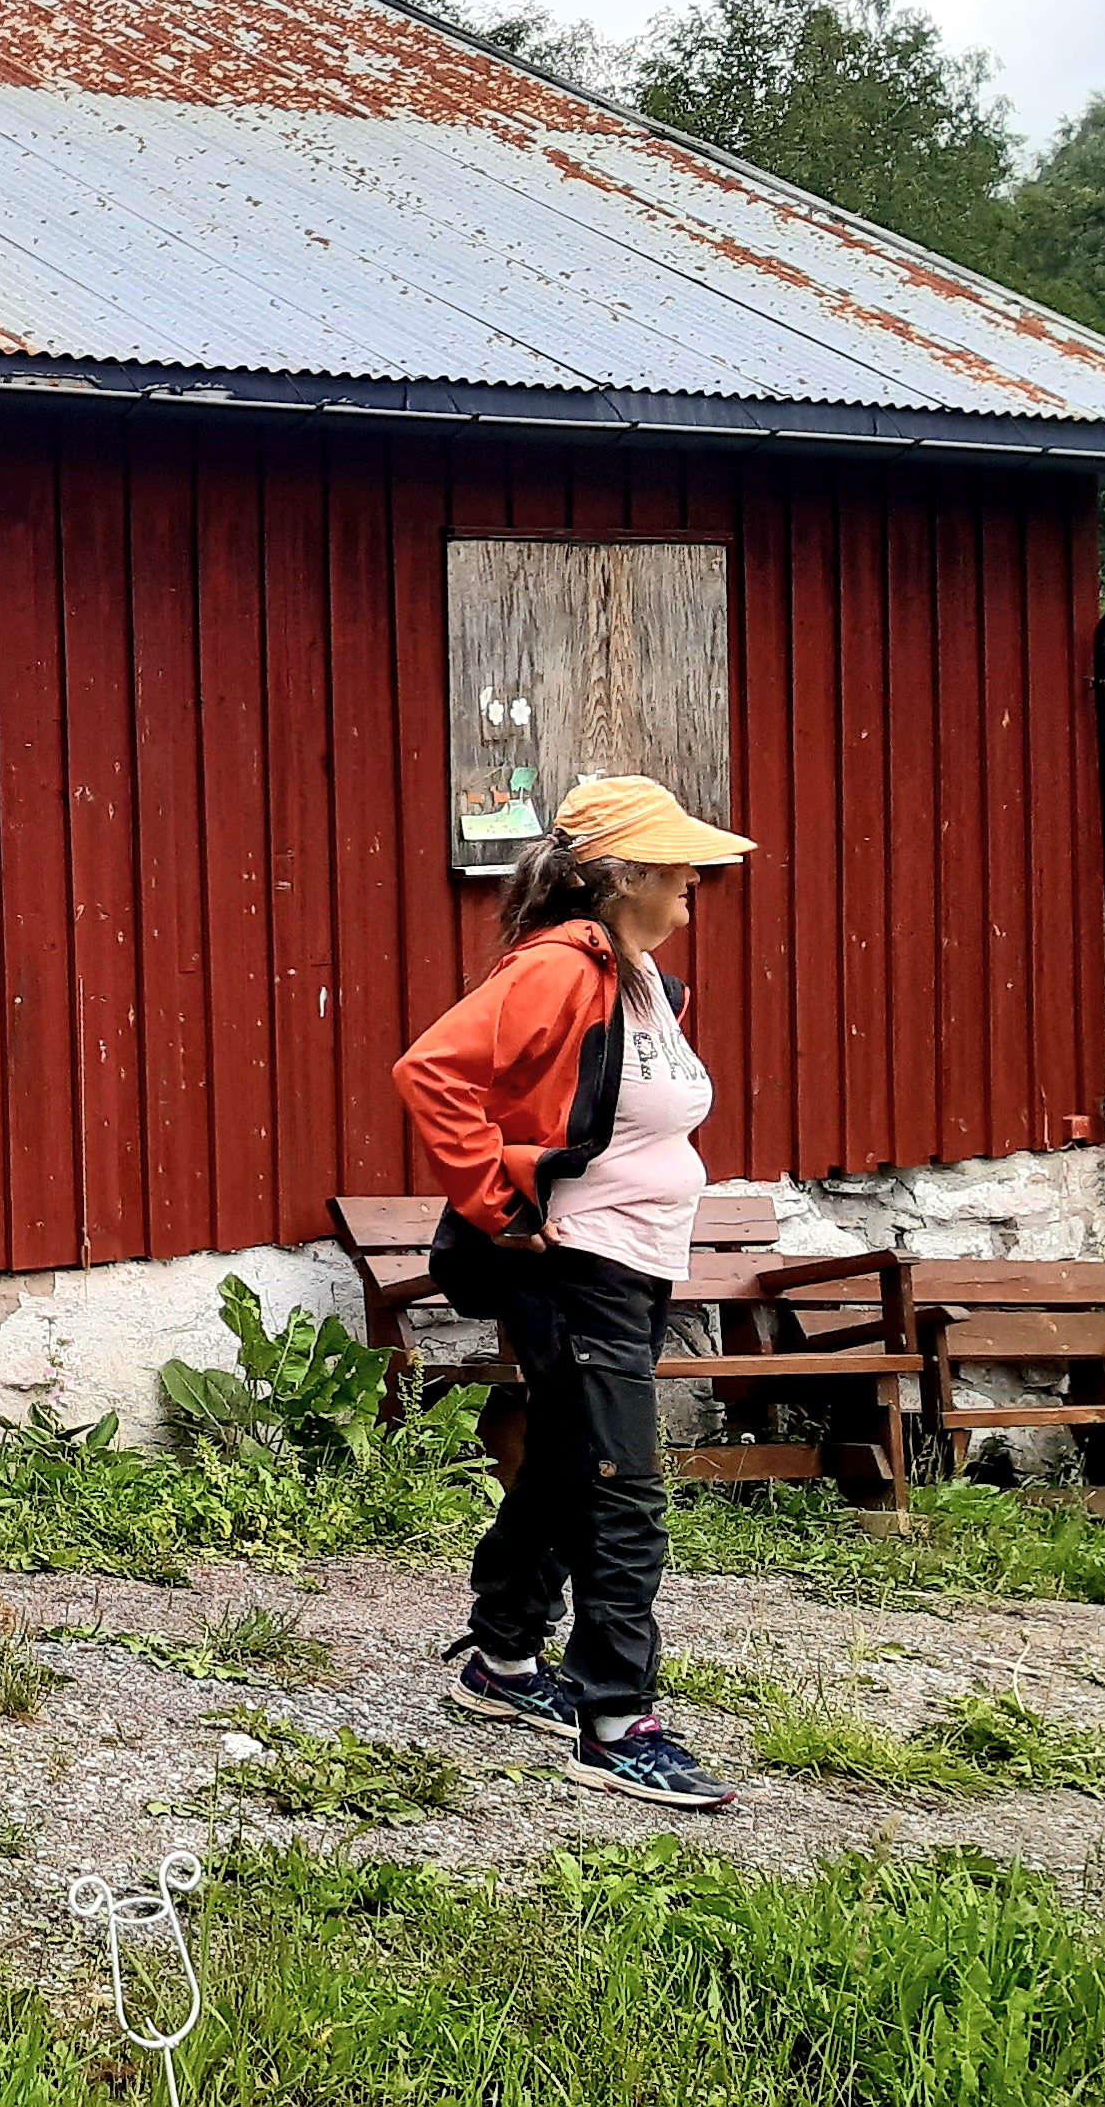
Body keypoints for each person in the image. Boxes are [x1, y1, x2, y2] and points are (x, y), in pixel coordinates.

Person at [392, 773, 754, 1813]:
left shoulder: (646, 981)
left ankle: (504, 1663)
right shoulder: (564, 967)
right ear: (623, 874)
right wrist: (500, 1200)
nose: (696, 878)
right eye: (679, 863)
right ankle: (616, 1722)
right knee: (623, 1485)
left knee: (563, 1458)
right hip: (576, 1262)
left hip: (635, 1257)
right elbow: (433, 1072)